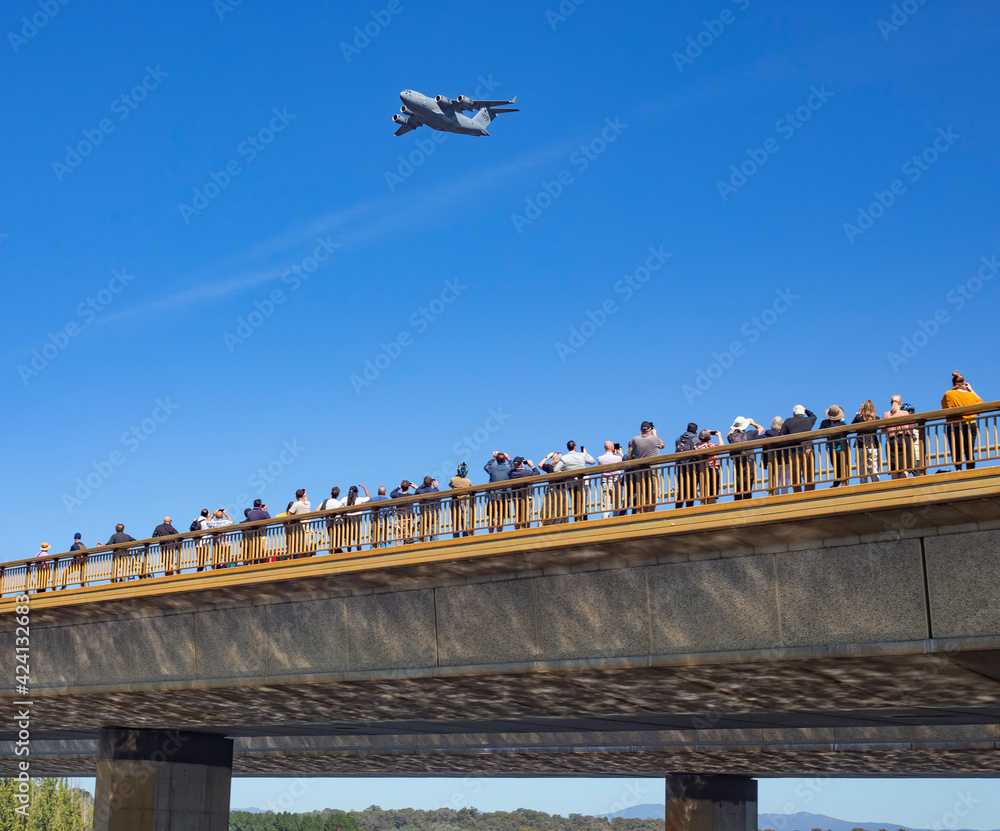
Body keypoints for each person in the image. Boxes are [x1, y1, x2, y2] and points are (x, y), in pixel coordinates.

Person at [942, 371, 983, 470]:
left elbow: (944, 408)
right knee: (969, 450)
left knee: (956, 451)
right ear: (964, 383)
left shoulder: (948, 394)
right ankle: (970, 470)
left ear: (953, 383)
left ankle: (958, 470)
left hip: (953, 426)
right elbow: (980, 408)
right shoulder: (971, 396)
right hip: (969, 424)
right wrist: (971, 390)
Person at [628, 421, 665, 513]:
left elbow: (632, 447)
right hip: (653, 471)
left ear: (641, 429)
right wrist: (655, 434)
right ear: (650, 429)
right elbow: (663, 445)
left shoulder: (635, 439)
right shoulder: (654, 439)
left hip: (640, 472)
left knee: (643, 494)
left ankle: (644, 513)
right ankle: (651, 512)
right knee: (653, 494)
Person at [554, 441, 596, 520]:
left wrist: (565, 475)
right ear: (575, 447)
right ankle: (584, 520)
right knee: (583, 502)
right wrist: (586, 453)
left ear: (567, 448)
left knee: (575, 503)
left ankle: (577, 520)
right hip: (583, 482)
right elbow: (592, 461)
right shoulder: (582, 455)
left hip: (571, 483)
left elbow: (556, 470)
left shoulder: (564, 458)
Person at [779, 405, 817, 492]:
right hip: (808, 448)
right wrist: (806, 410)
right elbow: (814, 416)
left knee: (795, 473)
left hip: (793, 450)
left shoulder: (788, 421)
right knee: (809, 471)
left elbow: (781, 435)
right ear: (803, 412)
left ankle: (797, 491)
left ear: (793, 413)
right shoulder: (808, 420)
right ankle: (809, 491)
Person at [727, 417, 762, 500]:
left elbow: (728, 435)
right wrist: (752, 423)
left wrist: (735, 427)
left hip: (737, 462)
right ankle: (747, 501)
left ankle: (737, 502)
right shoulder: (750, 434)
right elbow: (761, 428)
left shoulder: (732, 437)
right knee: (748, 484)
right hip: (749, 460)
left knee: (738, 483)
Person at [882, 395, 914, 479]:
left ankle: (895, 486)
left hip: (891, 441)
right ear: (901, 403)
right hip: (904, 439)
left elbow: (883, 429)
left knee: (894, 468)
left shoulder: (886, 414)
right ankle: (905, 485)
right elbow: (911, 426)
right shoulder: (905, 413)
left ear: (891, 403)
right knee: (905, 466)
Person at [852, 400, 881, 484]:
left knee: (862, 468)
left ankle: (863, 485)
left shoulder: (858, 418)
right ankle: (876, 484)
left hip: (861, 445)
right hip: (873, 445)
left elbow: (852, 426)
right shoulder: (877, 419)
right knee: (874, 467)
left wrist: (860, 411)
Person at [819, 406, 850, 487]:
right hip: (842, 448)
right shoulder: (842, 424)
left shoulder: (824, 423)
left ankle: (835, 484)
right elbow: (848, 430)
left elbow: (820, 432)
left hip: (832, 449)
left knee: (836, 468)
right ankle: (841, 485)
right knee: (844, 468)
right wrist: (843, 420)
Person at [508, 457, 541, 529]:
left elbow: (511, 469)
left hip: (516, 497)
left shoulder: (511, 473)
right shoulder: (527, 472)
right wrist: (532, 466)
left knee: (518, 516)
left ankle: (516, 532)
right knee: (527, 515)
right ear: (522, 463)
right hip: (526, 497)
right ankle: (526, 531)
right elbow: (538, 475)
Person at [760, 417, 789, 496]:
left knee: (775, 481)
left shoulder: (769, 433)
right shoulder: (787, 434)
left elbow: (757, 439)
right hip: (786, 460)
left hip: (773, 460)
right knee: (784, 481)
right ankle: (785, 497)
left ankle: (775, 497)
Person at [483, 453, 512, 532]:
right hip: (504, 497)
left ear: (497, 460)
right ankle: (499, 533)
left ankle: (491, 534)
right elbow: (513, 468)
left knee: (492, 516)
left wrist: (493, 458)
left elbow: (486, 466)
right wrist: (509, 459)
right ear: (504, 460)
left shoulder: (492, 468)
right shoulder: (508, 469)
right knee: (501, 516)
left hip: (492, 496)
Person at [674, 422, 699, 508]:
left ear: (686, 430)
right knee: (691, 491)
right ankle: (689, 509)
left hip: (680, 467)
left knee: (682, 490)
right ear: (696, 431)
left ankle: (677, 510)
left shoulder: (679, 439)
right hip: (692, 467)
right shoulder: (696, 439)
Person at [694, 430, 722, 505]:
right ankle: (712, 505)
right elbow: (722, 447)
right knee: (713, 489)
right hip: (712, 468)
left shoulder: (696, 446)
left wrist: (706, 433)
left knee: (704, 488)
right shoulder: (710, 446)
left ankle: (704, 504)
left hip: (701, 469)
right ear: (708, 437)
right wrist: (719, 436)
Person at [539, 452, 568, 525]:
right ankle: (560, 523)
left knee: (548, 508)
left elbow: (540, 465)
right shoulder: (563, 468)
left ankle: (546, 523)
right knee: (561, 509)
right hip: (562, 491)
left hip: (551, 490)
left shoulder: (550, 467)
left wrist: (547, 457)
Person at [597, 441, 623, 518]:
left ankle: (605, 520)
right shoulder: (618, 458)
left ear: (604, 448)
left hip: (605, 483)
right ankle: (616, 520)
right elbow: (625, 460)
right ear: (613, 448)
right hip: (615, 483)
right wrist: (621, 454)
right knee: (617, 504)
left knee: (606, 505)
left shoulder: (600, 459)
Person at [285, 488, 313, 558]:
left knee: (299, 548)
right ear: (303, 495)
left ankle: (301, 563)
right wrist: (305, 496)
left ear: (296, 496)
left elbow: (289, 513)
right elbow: (306, 501)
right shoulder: (308, 504)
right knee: (307, 548)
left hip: (298, 529)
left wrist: (289, 520)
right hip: (307, 528)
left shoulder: (296, 504)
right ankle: (308, 563)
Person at [448, 463, 473, 538]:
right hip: (464, 502)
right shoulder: (468, 481)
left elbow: (450, 484)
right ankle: (465, 535)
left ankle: (456, 536)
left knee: (455, 520)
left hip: (455, 502)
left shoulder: (453, 479)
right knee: (465, 520)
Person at [344, 484, 372, 550]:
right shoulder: (359, 500)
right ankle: (359, 551)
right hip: (357, 520)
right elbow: (368, 497)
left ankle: (349, 552)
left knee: (348, 537)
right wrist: (364, 487)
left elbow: (338, 506)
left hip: (347, 520)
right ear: (356, 492)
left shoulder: (344, 499)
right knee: (358, 537)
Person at [318, 487, 345, 553]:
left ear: (331, 493)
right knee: (338, 543)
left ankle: (334, 553)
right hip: (339, 524)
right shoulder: (339, 503)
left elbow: (317, 510)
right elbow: (343, 514)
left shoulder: (325, 502)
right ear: (338, 494)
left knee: (333, 542)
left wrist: (325, 514)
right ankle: (338, 554)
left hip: (329, 524)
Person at [901, 403, 926, 475]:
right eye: (909, 412)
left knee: (918, 473)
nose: (910, 414)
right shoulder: (916, 424)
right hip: (909, 453)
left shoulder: (917, 424)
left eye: (911, 412)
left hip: (917, 453)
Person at [414, 477, 441, 542]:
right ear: (431, 483)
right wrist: (435, 487)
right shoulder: (435, 491)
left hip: (424, 515)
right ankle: (435, 546)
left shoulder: (420, 491)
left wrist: (419, 486)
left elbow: (417, 491)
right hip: (434, 515)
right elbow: (439, 499)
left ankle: (424, 545)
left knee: (424, 533)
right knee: (434, 533)